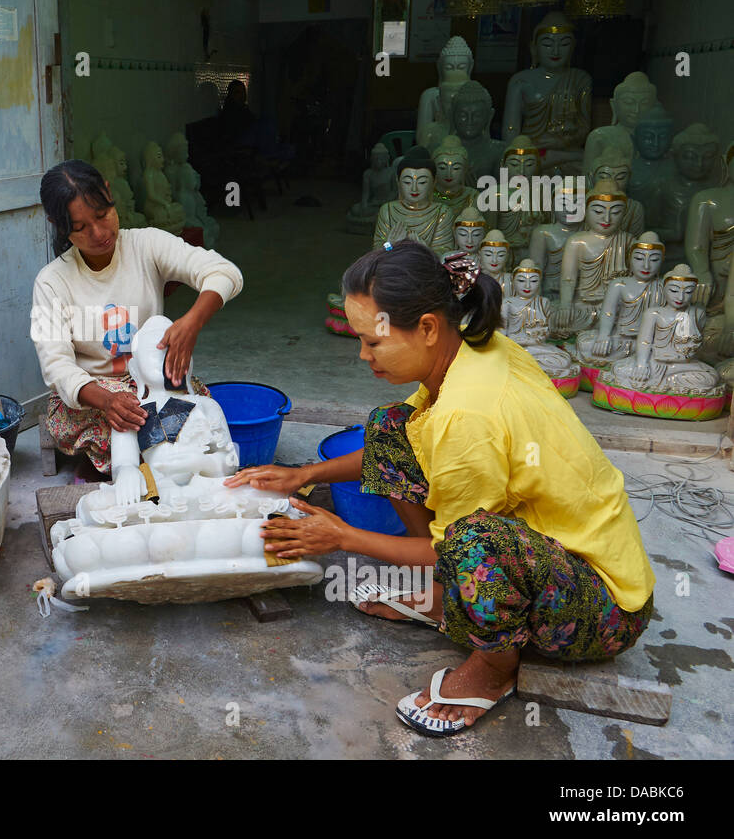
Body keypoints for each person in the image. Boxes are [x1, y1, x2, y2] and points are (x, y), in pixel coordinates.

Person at [225, 241, 654, 737]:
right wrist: (303, 474)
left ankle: (494, 668)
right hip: (547, 552)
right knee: (392, 426)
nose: (363, 355)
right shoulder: (472, 350)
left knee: (473, 543)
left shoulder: (468, 416)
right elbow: (409, 439)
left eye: (374, 341)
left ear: (427, 327)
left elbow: (453, 545)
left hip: (600, 608)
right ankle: (457, 597)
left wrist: (342, 537)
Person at [32, 160, 243, 478]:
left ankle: (163, 467)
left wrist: (192, 321)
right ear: (58, 224)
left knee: (199, 413)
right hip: (94, 394)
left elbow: (225, 272)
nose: (99, 233)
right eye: (81, 227)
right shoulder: (51, 282)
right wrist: (107, 401)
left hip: (149, 382)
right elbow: (57, 367)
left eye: (103, 215)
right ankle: (133, 472)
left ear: (108, 192)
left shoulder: (147, 245)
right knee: (139, 429)